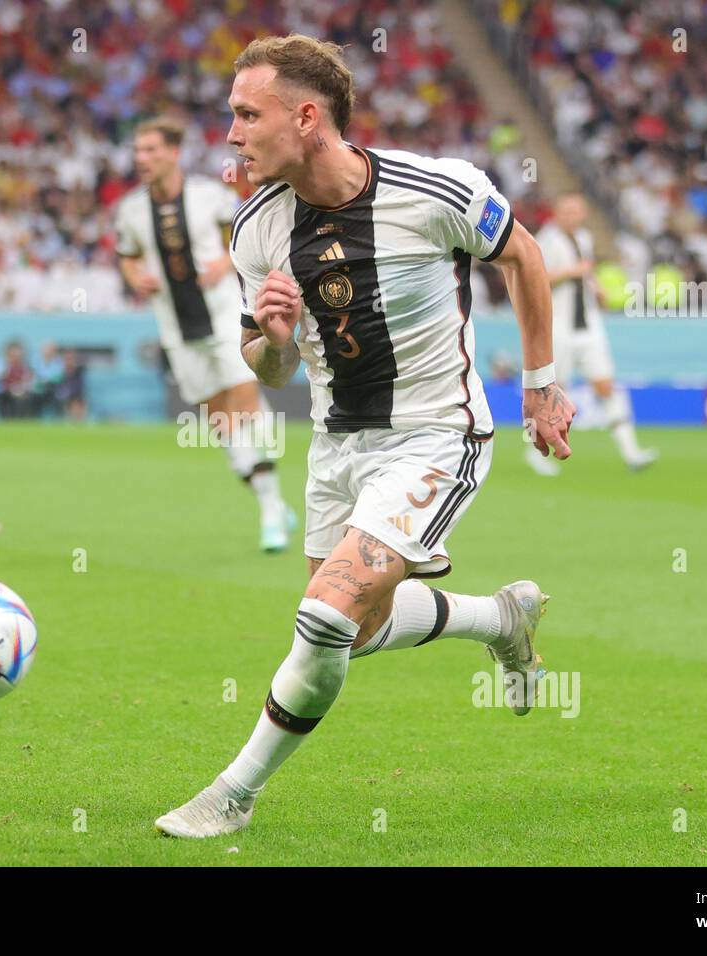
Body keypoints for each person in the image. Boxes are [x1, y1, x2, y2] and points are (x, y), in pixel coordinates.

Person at [155, 35, 575, 838]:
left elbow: (523, 256)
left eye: (248, 114)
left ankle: (233, 793)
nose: (233, 134)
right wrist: (273, 340)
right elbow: (269, 371)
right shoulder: (256, 230)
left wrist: (541, 385)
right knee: (362, 627)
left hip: (434, 434)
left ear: (306, 117)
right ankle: (502, 620)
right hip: (336, 444)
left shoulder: (436, 189)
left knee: (325, 617)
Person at [114, 117, 292, 552]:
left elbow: (245, 233)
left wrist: (226, 263)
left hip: (225, 317)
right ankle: (271, 498)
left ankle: (271, 513)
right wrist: (135, 276)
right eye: (139, 152)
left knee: (245, 400)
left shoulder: (209, 196)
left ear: (173, 153)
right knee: (220, 418)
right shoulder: (131, 210)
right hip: (177, 326)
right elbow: (127, 256)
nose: (143, 159)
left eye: (152, 150)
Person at [525, 193, 656, 475]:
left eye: (577, 211)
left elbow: (585, 271)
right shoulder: (546, 240)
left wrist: (594, 286)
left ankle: (631, 452)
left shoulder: (583, 238)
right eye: (567, 211)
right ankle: (533, 450)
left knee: (606, 385)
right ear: (557, 213)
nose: (573, 217)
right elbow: (535, 278)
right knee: (552, 392)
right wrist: (573, 271)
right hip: (558, 326)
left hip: (588, 326)